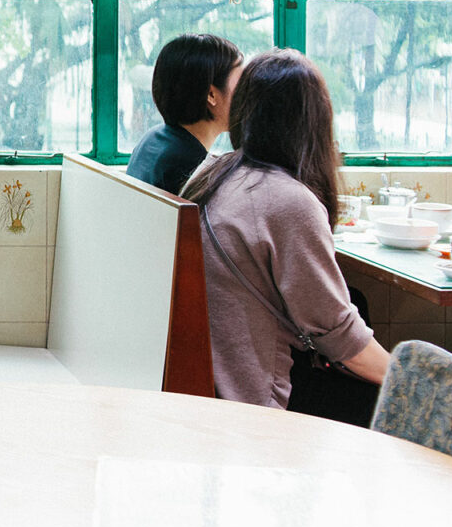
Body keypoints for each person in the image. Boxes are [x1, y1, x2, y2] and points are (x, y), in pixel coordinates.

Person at [181, 48, 390, 425]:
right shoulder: (288, 201)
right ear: (313, 122)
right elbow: (342, 340)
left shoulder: (216, 171)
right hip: (256, 393)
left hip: (213, 375)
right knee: (394, 404)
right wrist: (417, 383)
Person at [127, 33, 244, 195]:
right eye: (242, 83)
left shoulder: (153, 138)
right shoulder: (190, 167)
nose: (247, 92)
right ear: (211, 95)